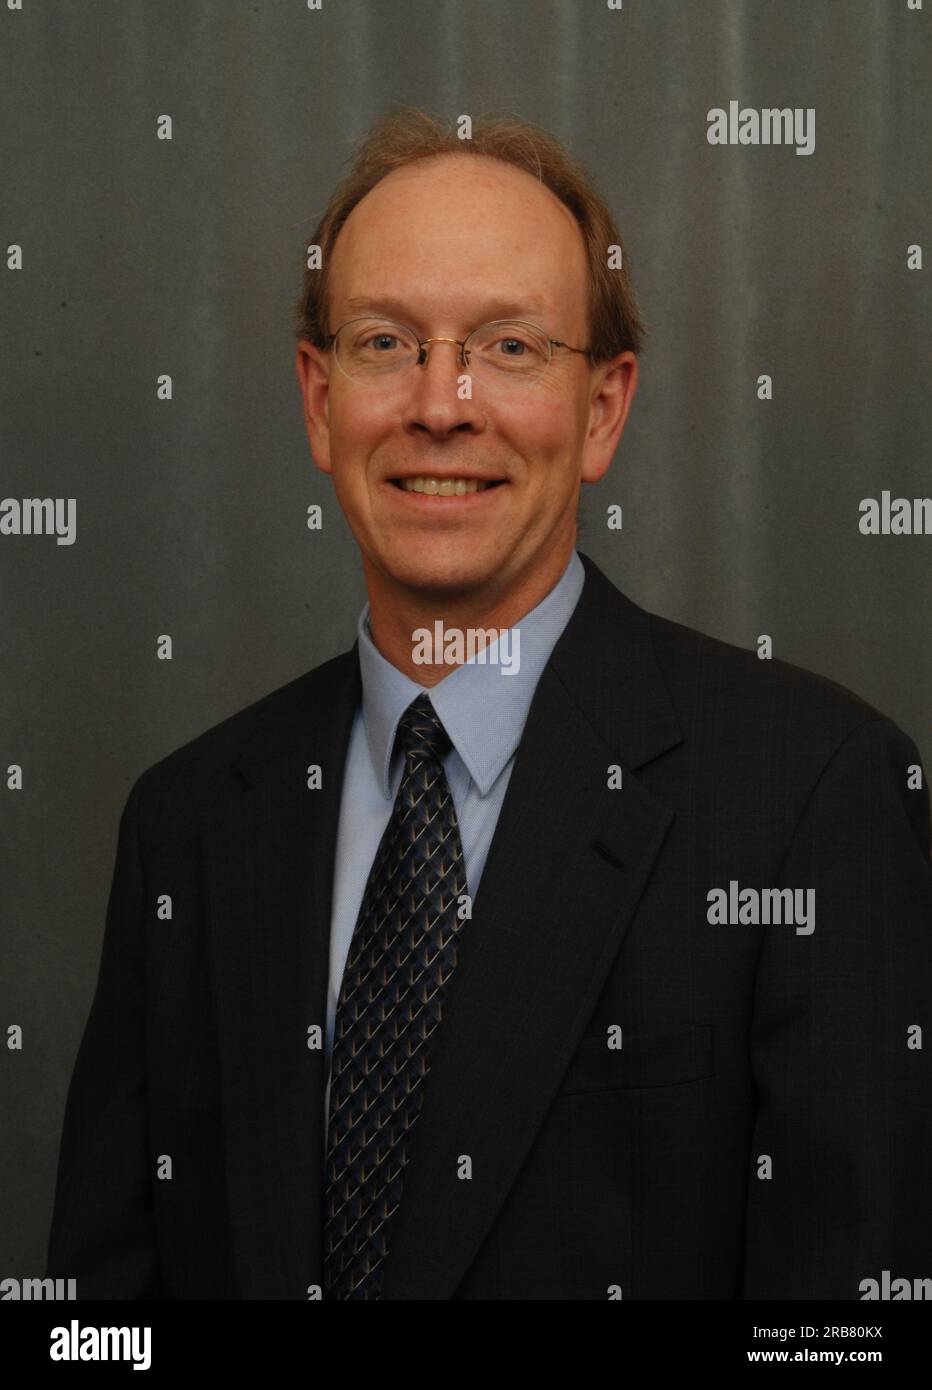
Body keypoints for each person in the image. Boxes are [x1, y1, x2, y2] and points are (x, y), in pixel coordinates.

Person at [46, 107, 932, 1300]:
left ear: (603, 410)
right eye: (384, 343)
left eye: (509, 347)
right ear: (318, 400)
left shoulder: (810, 792)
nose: (441, 403)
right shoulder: (189, 824)